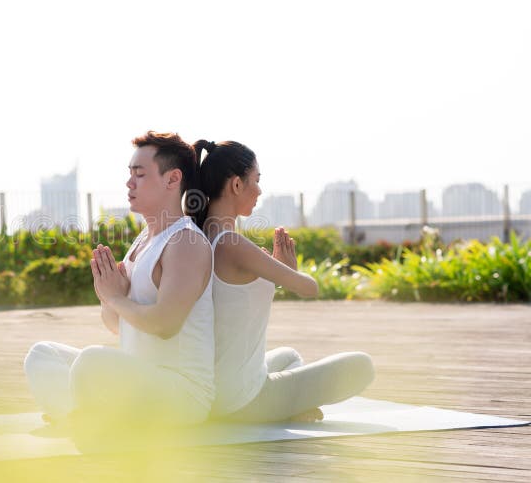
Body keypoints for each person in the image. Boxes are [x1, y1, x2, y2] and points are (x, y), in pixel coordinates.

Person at [23, 131, 215, 428]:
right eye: (130, 174)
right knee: (42, 355)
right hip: (137, 380)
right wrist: (110, 298)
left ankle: (83, 414)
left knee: (91, 363)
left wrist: (115, 298)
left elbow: (165, 325)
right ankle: (84, 416)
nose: (129, 183)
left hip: (182, 394)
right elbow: (117, 326)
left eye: (140, 174)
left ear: (172, 179)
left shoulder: (186, 243)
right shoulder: (142, 242)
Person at [190, 139, 375, 423]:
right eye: (256, 180)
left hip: (214, 390)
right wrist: (284, 270)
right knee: (362, 366)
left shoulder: (201, 237)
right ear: (236, 185)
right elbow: (309, 287)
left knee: (288, 355)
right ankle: (282, 411)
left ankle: (289, 408)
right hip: (242, 399)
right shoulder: (231, 244)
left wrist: (273, 273)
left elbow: (233, 299)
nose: (260, 189)